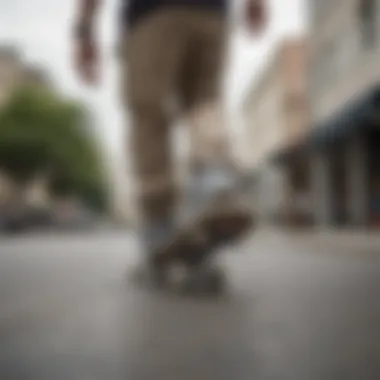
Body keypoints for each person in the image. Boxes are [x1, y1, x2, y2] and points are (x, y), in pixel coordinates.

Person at [73, 0, 267, 287]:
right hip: (212, 13)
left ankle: (158, 228)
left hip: (152, 13)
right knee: (205, 103)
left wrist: (84, 30)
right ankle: (215, 185)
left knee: (149, 112)